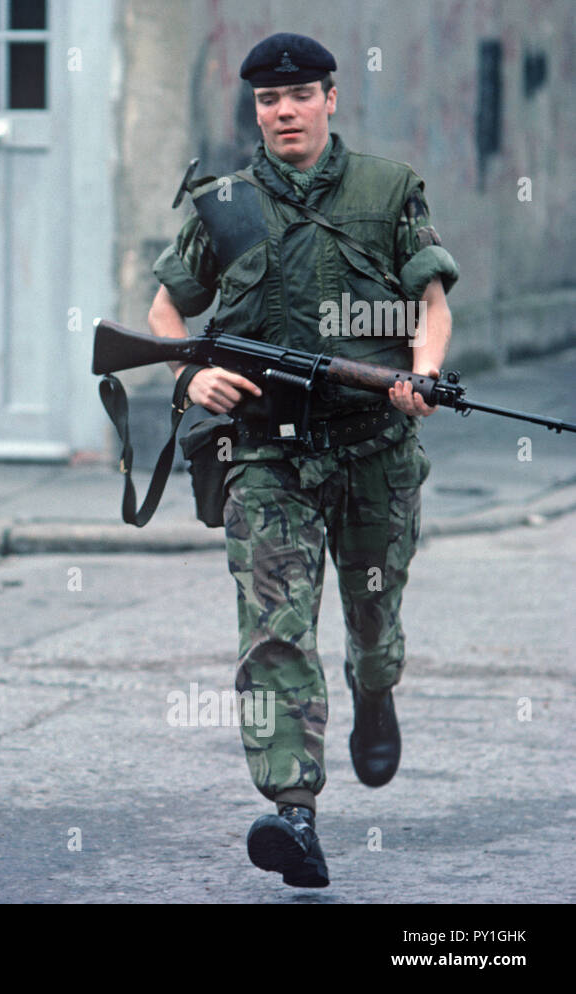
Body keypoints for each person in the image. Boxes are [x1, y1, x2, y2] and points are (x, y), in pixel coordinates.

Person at [147, 32, 459, 887]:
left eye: (298, 97)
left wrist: (422, 377)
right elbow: (164, 313)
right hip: (264, 457)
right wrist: (193, 371)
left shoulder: (386, 189)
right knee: (274, 637)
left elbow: (428, 300)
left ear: (329, 100)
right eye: (266, 101)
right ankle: (294, 812)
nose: (282, 112)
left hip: (373, 450)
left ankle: (376, 684)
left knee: (372, 620)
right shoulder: (225, 202)